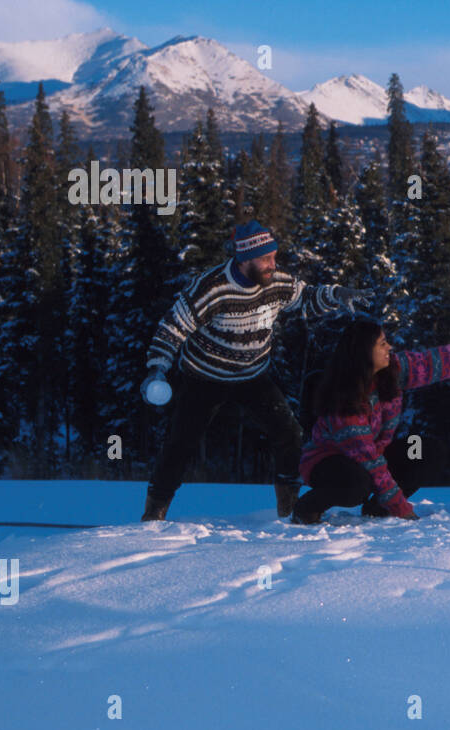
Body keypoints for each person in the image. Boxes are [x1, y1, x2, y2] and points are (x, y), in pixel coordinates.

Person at [140, 221, 363, 522]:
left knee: (289, 435)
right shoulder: (212, 288)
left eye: (274, 256)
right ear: (245, 259)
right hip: (204, 377)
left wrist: (336, 295)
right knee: (180, 444)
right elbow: (171, 329)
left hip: (252, 376)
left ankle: (289, 509)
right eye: (266, 258)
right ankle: (154, 512)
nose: (274, 264)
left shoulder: (276, 281)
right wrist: (157, 369)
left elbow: (305, 298)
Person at [292, 318, 450, 524]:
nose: (389, 347)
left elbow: (437, 361)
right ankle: (307, 507)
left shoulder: (394, 370)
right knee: (356, 485)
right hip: (329, 462)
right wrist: (402, 509)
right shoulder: (344, 400)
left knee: (426, 449)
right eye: (382, 344)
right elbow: (368, 460)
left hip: (374, 454)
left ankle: (379, 508)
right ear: (362, 352)